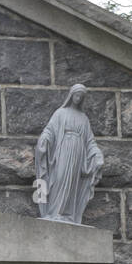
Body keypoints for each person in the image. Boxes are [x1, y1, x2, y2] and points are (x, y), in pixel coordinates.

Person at [34, 83, 104, 223]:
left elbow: (90, 141)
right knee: (59, 178)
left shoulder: (84, 118)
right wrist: (45, 139)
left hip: (78, 154)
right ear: (71, 96)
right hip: (62, 150)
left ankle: (67, 214)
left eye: (81, 97)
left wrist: (97, 154)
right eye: (76, 95)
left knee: (72, 183)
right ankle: (54, 212)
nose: (78, 98)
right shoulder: (60, 113)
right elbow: (50, 130)